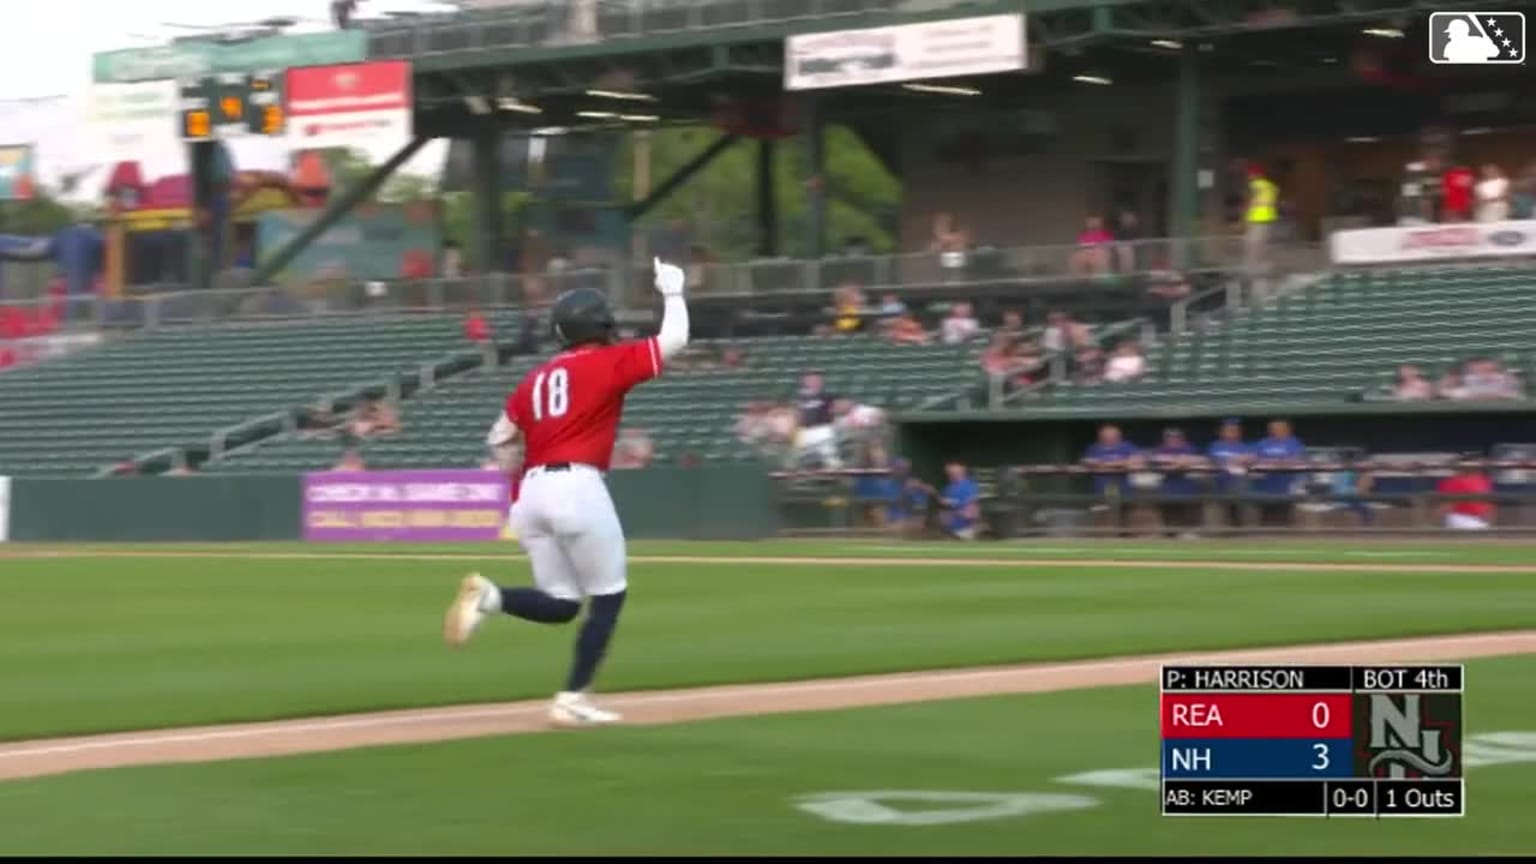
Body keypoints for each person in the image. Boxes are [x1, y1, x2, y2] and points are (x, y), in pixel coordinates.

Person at [442, 259, 689, 728]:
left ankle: (489, 597)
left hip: (532, 494)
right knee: (608, 597)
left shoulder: (534, 379)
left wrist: (517, 489)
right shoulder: (606, 361)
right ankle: (573, 699)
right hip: (578, 486)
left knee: (562, 604)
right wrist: (673, 290)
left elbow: (500, 438)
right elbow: (674, 339)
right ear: (600, 325)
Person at [1082, 424, 1141, 534]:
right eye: (1105, 436)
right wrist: (1120, 464)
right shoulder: (1095, 448)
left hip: (1124, 488)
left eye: (1112, 436)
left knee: (1126, 513)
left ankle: (1127, 535)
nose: (1109, 438)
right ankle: (1106, 536)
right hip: (1102, 488)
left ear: (1118, 436)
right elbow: (1088, 462)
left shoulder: (1126, 447)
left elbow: (1137, 461)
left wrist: (1107, 464)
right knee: (1104, 512)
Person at [1251, 419, 1307, 528]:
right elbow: (1253, 459)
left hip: (1286, 486)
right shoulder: (1262, 443)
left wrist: (1274, 462)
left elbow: (1297, 459)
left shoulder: (1294, 442)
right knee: (1266, 521)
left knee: (1284, 521)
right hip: (1264, 487)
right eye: (1273, 428)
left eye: (1280, 428)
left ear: (1287, 429)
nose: (1276, 430)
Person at [1149, 427, 1202, 537]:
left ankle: (1188, 531)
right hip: (1167, 483)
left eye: (1176, 437)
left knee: (1188, 505)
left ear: (1181, 438)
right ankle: (1169, 531)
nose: (1173, 439)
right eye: (1170, 437)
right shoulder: (1161, 448)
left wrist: (1173, 463)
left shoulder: (1188, 447)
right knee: (1167, 508)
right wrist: (1178, 463)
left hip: (1185, 483)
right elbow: (1155, 460)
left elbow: (1196, 460)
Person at [1207, 418, 1253, 531]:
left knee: (1241, 488)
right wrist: (1234, 460)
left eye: (1235, 430)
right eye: (1228, 430)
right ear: (1222, 432)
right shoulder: (1216, 445)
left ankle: (1238, 526)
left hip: (1238, 485)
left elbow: (1250, 460)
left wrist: (1236, 461)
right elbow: (1213, 460)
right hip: (1218, 483)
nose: (1232, 432)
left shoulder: (1244, 447)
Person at [1438, 458, 1495, 530]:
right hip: (1460, 517)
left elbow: (1489, 505)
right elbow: (1446, 505)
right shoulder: (1454, 481)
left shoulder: (1483, 480)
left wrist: (1489, 519)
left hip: (1479, 519)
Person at [938, 461, 981, 540]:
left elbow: (971, 508)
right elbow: (944, 505)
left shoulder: (971, 486)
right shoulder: (948, 488)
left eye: (954, 471)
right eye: (949, 472)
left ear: (963, 469)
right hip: (950, 529)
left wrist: (952, 505)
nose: (952, 474)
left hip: (965, 529)